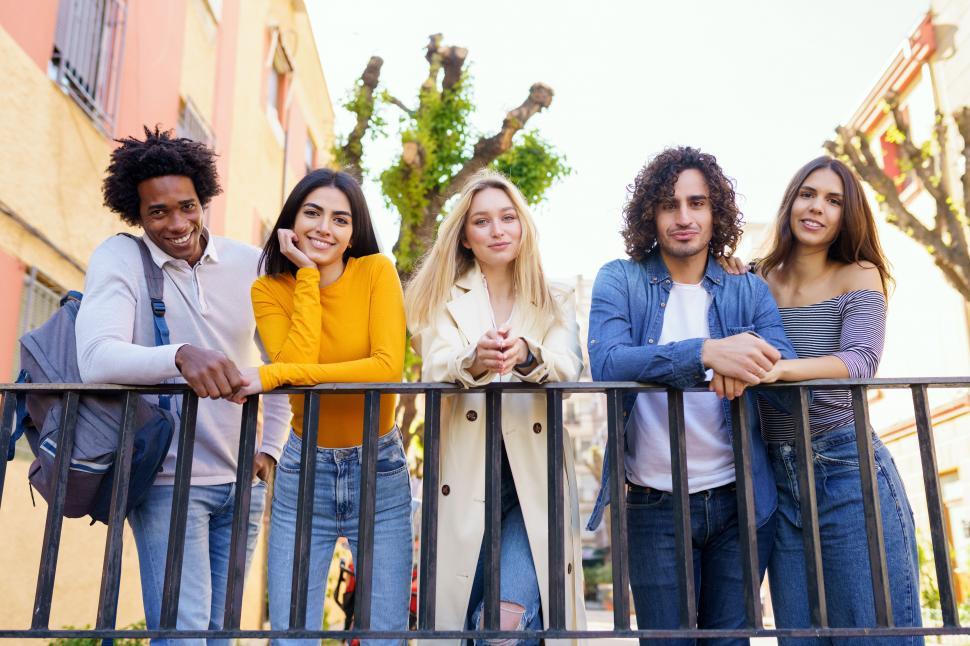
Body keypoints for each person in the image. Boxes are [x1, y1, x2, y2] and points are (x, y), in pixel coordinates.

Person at [75, 127, 291, 645]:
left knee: (220, 633)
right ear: (136, 213)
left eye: (187, 207)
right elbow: (96, 359)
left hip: (242, 481)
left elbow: (284, 361)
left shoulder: (250, 263)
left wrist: (270, 449)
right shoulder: (121, 259)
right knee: (184, 634)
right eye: (158, 212)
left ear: (203, 199)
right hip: (169, 483)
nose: (176, 224)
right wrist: (178, 354)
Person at [586, 146, 798, 645]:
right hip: (654, 505)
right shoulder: (620, 279)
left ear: (715, 211)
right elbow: (609, 362)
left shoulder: (747, 288)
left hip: (740, 502)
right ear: (651, 215)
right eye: (669, 205)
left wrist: (743, 363)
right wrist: (706, 353)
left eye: (697, 203)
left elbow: (783, 367)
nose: (684, 217)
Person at [405, 170, 587, 645]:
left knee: (504, 621)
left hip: (534, 480)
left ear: (523, 225)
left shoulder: (556, 295)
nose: (498, 230)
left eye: (508, 218)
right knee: (464, 618)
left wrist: (527, 354)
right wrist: (473, 359)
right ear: (465, 237)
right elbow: (435, 363)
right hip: (466, 473)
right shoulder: (441, 298)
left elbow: (569, 365)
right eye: (482, 221)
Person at [233, 168, 411, 644]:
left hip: (380, 467)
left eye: (340, 219)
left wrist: (274, 375)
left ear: (354, 233)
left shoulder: (377, 272)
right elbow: (295, 364)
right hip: (302, 469)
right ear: (291, 221)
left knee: (384, 633)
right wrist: (308, 277)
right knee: (292, 632)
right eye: (312, 213)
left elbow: (386, 368)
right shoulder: (270, 289)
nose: (324, 228)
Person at [750, 156, 920, 644]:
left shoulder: (859, 274)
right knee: (801, 635)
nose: (816, 207)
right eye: (807, 194)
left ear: (848, 216)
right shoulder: (756, 279)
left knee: (873, 632)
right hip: (776, 476)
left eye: (833, 201)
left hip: (845, 466)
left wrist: (782, 371)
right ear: (790, 202)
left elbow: (861, 360)